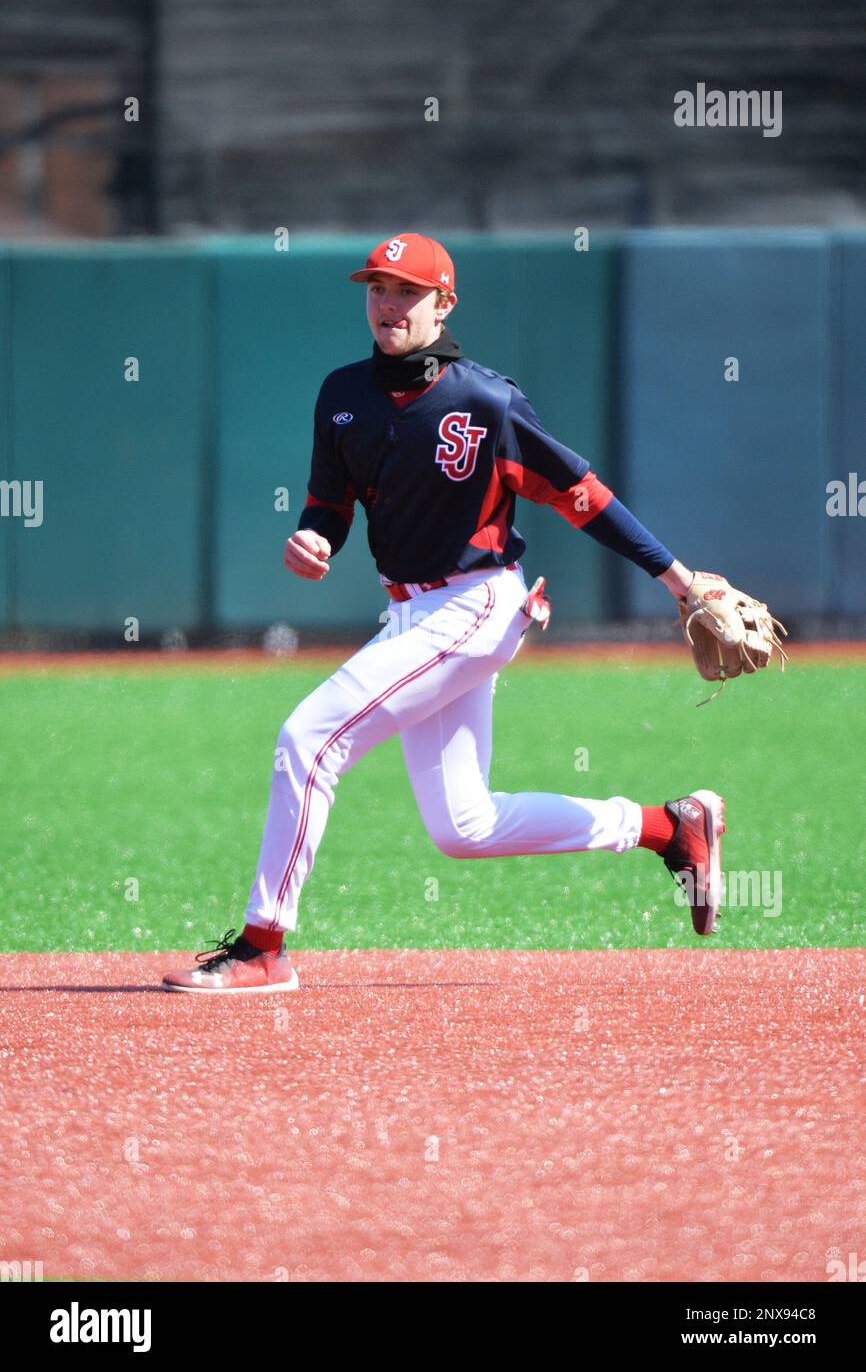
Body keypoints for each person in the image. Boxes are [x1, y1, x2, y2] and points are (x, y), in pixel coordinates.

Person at [163, 232, 724, 995]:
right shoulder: (343, 396)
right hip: (410, 614)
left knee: (307, 741)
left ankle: (263, 946)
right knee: (464, 827)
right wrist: (313, 539)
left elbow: (581, 495)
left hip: (477, 602)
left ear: (444, 303)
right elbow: (329, 507)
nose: (388, 304)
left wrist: (682, 581)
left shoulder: (485, 400)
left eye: (407, 291)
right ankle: (671, 825)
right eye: (378, 289)